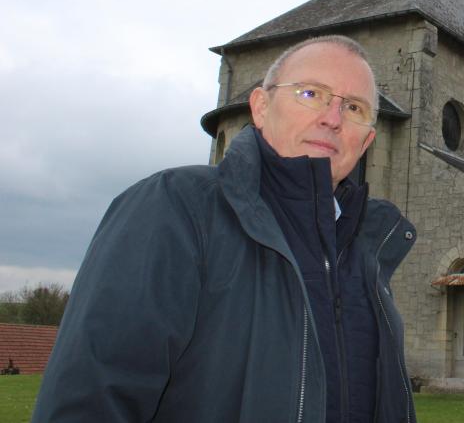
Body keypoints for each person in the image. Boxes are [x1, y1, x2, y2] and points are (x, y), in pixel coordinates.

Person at [33, 35, 417, 423]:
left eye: (353, 107)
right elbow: (90, 401)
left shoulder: (368, 251)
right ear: (261, 107)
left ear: (366, 140)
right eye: (310, 93)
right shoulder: (175, 207)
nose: (332, 118)